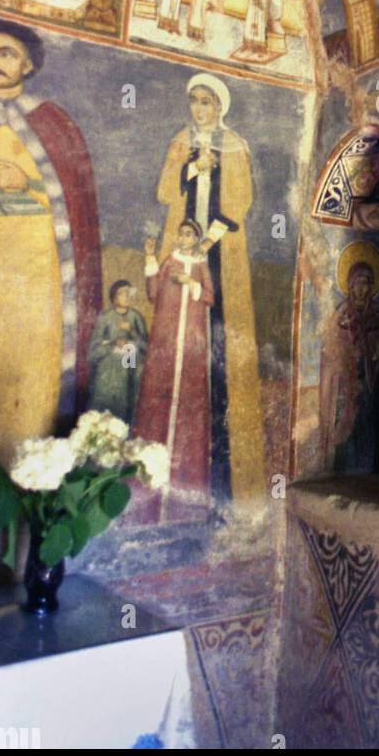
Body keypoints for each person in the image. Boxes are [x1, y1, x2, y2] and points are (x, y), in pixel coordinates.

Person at [0, 19, 101, 462]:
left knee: (31, 374)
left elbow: (73, 202)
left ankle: (28, 470)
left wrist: (26, 180)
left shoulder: (51, 121)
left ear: (28, 64)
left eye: (5, 53)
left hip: (35, 280)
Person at [155, 73, 265, 511]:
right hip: (180, 249)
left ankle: (219, 466)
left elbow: (241, 203)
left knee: (218, 346)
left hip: (220, 252)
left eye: (207, 102)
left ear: (219, 108)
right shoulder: (181, 141)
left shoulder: (235, 146)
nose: (200, 109)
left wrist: (208, 243)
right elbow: (165, 191)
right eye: (194, 102)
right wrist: (189, 169)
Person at [133, 224, 213, 523]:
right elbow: (153, 292)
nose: (184, 238)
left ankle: (184, 503)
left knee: (188, 410)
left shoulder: (201, 264)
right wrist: (151, 257)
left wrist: (190, 284)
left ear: (196, 237)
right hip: (165, 340)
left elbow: (209, 296)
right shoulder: (170, 260)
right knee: (157, 401)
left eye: (190, 234)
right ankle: (146, 499)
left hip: (191, 343)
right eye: (181, 233)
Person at [318, 251, 379, 474]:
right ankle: (343, 472)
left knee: (368, 425)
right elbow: (329, 350)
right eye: (358, 283)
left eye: (366, 283)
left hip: (370, 382)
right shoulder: (340, 315)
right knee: (344, 425)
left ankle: (366, 471)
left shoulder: (378, 315)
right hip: (345, 384)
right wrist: (344, 356)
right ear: (349, 284)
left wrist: (377, 354)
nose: (362, 288)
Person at [87, 279, 148, 424]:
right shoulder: (105, 317)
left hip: (130, 358)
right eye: (122, 293)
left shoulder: (136, 317)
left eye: (128, 293)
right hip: (109, 361)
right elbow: (93, 350)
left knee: (128, 382)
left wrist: (131, 332)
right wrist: (114, 343)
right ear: (114, 297)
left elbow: (146, 346)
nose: (126, 296)